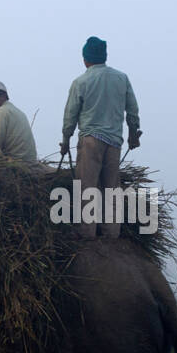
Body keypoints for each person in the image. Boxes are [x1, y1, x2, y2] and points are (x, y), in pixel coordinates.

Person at [59, 36, 141, 238]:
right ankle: (111, 234)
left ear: (85, 59)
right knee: (111, 189)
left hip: (91, 140)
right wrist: (133, 134)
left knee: (88, 187)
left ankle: (87, 234)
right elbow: (132, 110)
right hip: (114, 143)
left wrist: (66, 140)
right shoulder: (121, 78)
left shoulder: (81, 81)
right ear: (104, 57)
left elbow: (70, 114)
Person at [0, 80, 38, 164]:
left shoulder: (1, 112)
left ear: (2, 95)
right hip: (30, 163)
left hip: (17, 164)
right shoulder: (17, 111)